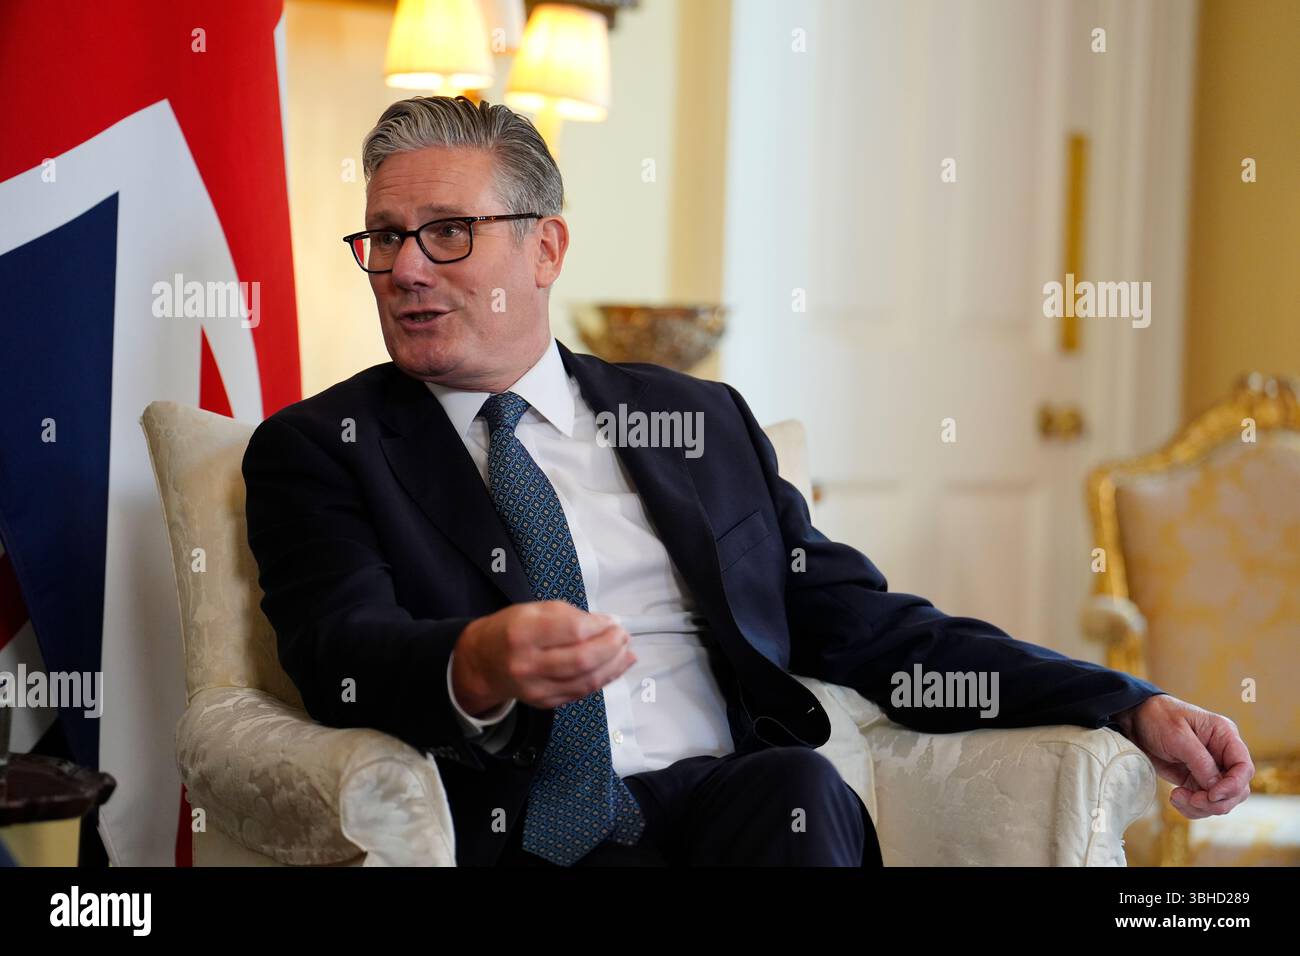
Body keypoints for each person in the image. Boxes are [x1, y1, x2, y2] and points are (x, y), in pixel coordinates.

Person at [241, 95, 1254, 867]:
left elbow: (869, 624)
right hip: (514, 825)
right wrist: (475, 662)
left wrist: (1125, 702)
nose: (407, 268)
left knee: (798, 792)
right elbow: (339, 651)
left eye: (446, 233)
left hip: (729, 814)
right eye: (383, 237)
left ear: (543, 246)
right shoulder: (321, 445)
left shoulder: (697, 422)